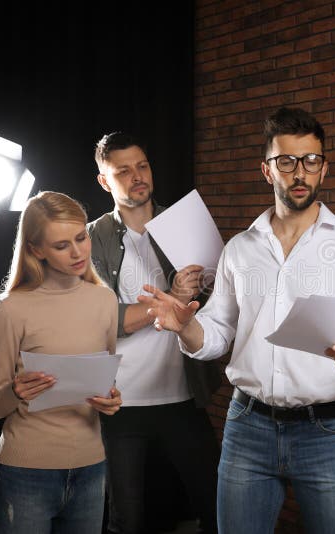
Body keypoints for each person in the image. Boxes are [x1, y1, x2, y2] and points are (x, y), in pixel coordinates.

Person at [139, 107, 335, 534]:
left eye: (310, 161)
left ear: (324, 169)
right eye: (286, 161)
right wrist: (186, 325)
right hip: (247, 429)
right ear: (267, 170)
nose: (300, 172)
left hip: (327, 431)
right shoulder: (240, 249)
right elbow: (220, 333)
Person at [88, 132, 220, 534]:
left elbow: (221, 305)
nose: (137, 176)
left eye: (142, 166)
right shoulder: (91, 238)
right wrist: (168, 303)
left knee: (218, 506)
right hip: (120, 405)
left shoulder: (185, 226)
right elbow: (100, 319)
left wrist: (197, 295)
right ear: (105, 182)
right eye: (123, 171)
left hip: (184, 397)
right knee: (126, 521)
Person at [0, 191, 122, 533]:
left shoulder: (104, 300)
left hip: (91, 467)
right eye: (61, 245)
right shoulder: (11, 309)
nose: (77, 252)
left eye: (81, 237)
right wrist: (16, 391)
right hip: (25, 473)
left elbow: (106, 381)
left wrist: (112, 400)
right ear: (35, 249)